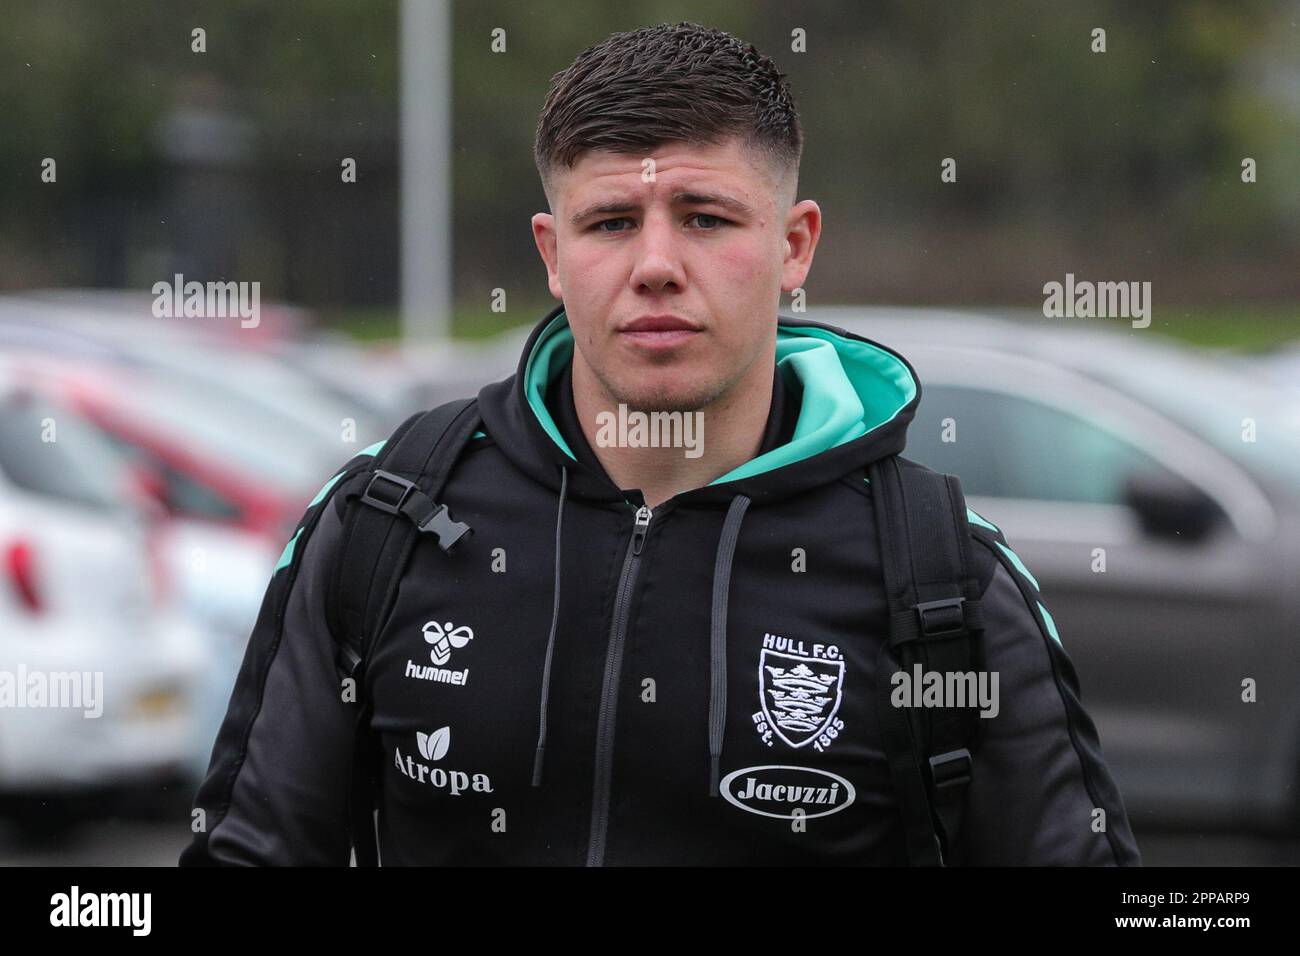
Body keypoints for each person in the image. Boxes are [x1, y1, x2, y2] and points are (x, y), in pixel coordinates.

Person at [180, 21, 1140, 866]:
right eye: (610, 223)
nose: (654, 267)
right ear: (554, 256)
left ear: (795, 245)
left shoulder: (942, 574)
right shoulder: (381, 525)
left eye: (706, 218)